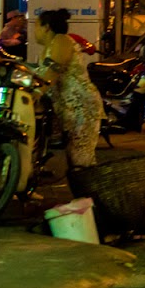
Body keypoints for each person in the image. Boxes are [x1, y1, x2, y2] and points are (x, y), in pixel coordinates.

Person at [32, 9, 103, 169]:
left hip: (81, 107)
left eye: (36, 26)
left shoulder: (61, 40)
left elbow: (53, 70)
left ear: (46, 27)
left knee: (81, 159)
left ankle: (90, 185)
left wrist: (36, 92)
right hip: (69, 107)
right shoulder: (51, 45)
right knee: (74, 159)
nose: (34, 31)